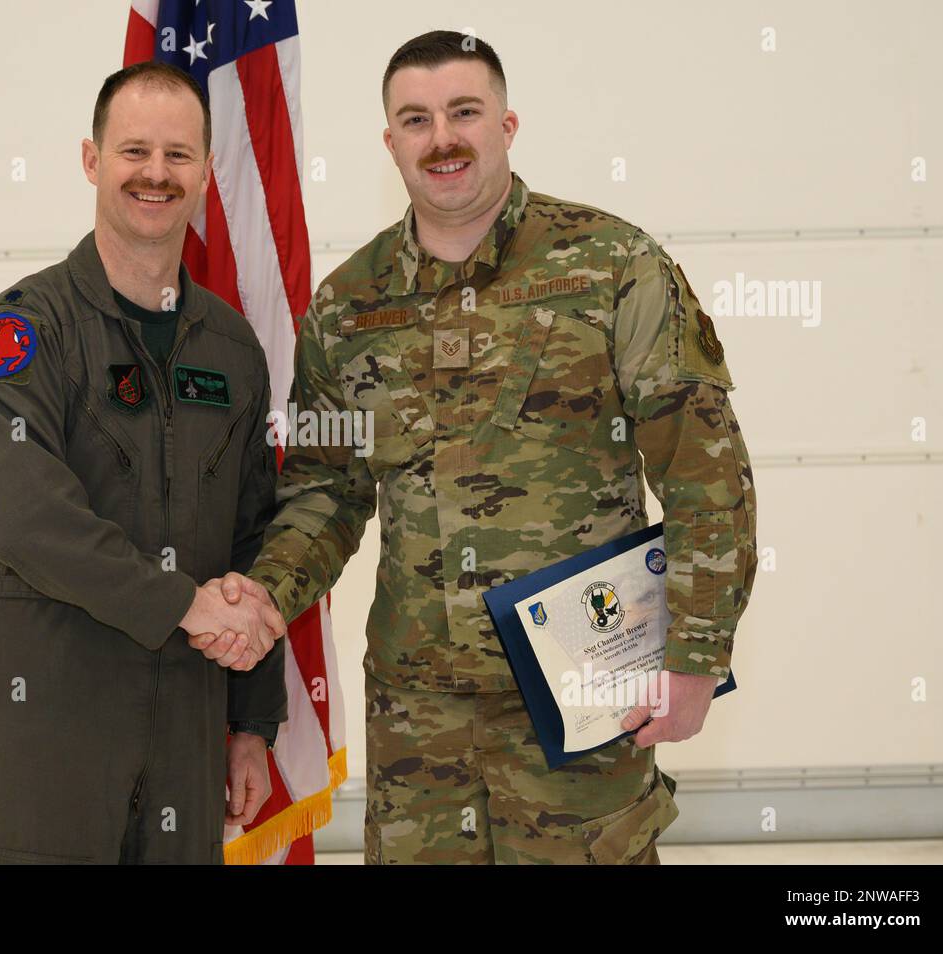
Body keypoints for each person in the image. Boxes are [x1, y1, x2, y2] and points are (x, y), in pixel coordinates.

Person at [197, 30, 758, 864]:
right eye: (416, 120)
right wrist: (268, 596)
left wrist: (698, 654)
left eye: (465, 111)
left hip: (583, 701)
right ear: (391, 143)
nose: (443, 138)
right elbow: (326, 489)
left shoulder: (612, 266)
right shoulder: (347, 308)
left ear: (507, 123)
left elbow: (702, 470)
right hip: (420, 721)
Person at [0, 61, 288, 865]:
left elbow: (252, 538)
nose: (156, 174)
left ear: (207, 172)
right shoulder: (23, 333)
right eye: (134, 150)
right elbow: (28, 519)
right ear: (92, 161)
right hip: (47, 728)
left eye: (179, 155)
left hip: (185, 736)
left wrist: (250, 725)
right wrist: (185, 605)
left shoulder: (233, 348)